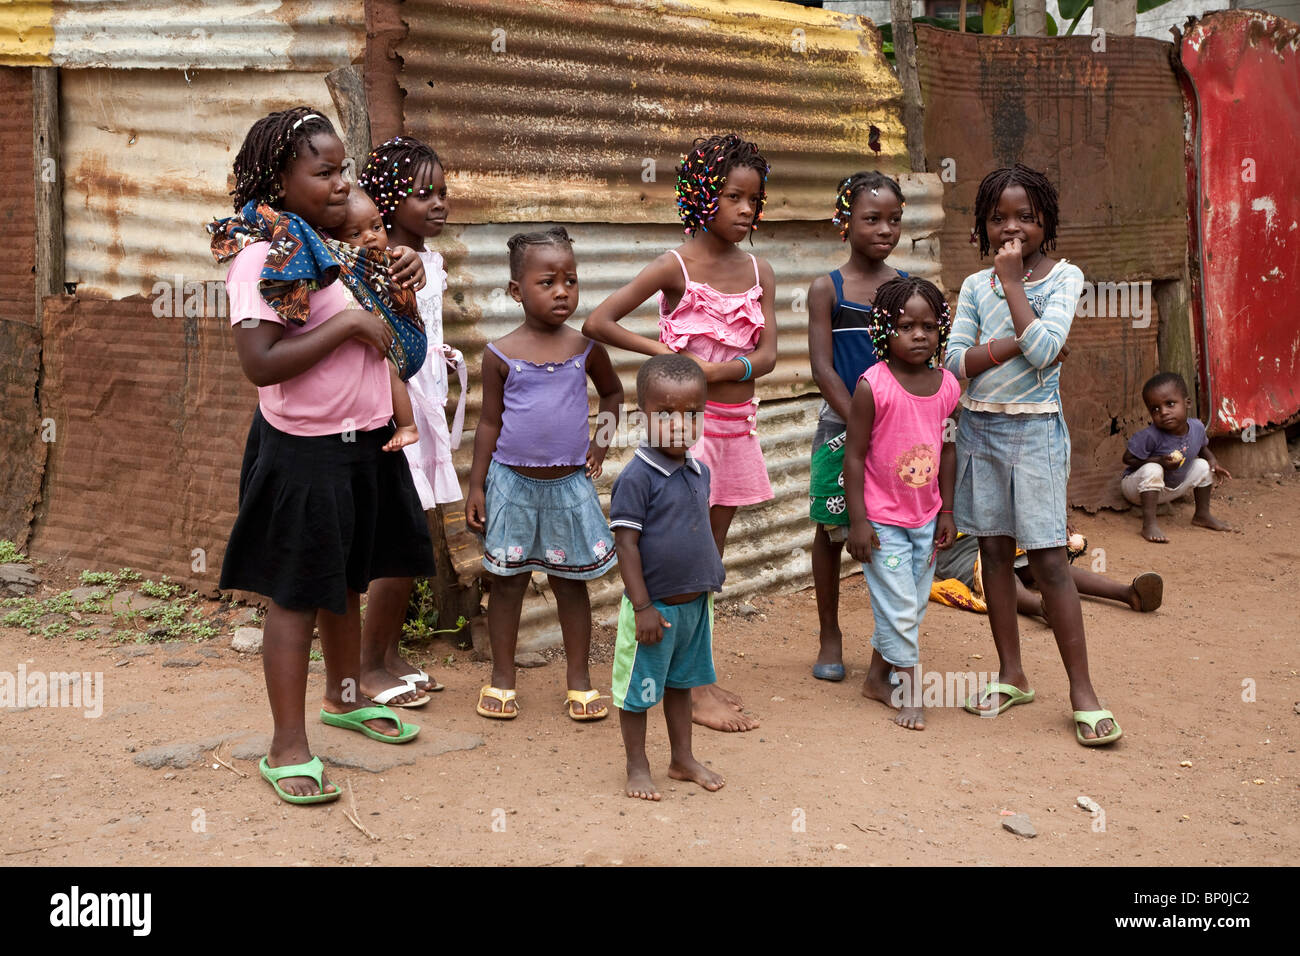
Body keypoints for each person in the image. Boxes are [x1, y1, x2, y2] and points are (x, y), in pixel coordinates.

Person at [208, 107, 435, 804]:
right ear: (280, 179)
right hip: (304, 451)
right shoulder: (263, 257)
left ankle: (343, 698)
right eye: (325, 172)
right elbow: (261, 363)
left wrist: (401, 283)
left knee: (347, 580)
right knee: (297, 594)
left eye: (346, 170)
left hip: (365, 438)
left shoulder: (335, 248)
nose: (343, 184)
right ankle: (287, 747)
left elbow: (396, 340)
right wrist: (351, 327)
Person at [584, 133, 776, 733]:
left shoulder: (759, 270)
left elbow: (767, 355)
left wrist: (725, 369)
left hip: (734, 429)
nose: (746, 209)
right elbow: (598, 321)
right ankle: (664, 672)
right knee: (669, 552)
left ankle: (695, 675)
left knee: (706, 559)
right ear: (701, 195)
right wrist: (666, 352)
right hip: (682, 436)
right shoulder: (675, 266)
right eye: (733, 196)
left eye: (754, 199)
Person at [945, 163, 1120, 746]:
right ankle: (1012, 675)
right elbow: (953, 365)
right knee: (993, 553)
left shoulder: (1065, 277)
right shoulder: (974, 287)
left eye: (1025, 216)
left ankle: (1083, 694)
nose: (1011, 228)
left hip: (1037, 433)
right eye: (998, 218)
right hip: (979, 431)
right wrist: (1008, 344)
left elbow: (1046, 353)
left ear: (1047, 221)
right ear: (982, 224)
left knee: (1048, 562)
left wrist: (1015, 287)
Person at [464, 227, 623, 721]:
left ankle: (579, 680)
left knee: (570, 583)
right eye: (547, 282)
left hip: (569, 487)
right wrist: (476, 485)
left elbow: (614, 396)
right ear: (516, 291)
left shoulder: (586, 347)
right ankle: (502, 678)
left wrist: (600, 443)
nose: (562, 292)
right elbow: (489, 422)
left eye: (570, 281)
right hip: (511, 485)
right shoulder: (499, 353)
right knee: (507, 582)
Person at [355, 136, 469, 707]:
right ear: (387, 200)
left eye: (443, 192)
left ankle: (389, 653)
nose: (438, 204)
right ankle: (366, 665)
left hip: (426, 407)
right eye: (423, 194)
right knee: (398, 540)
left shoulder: (429, 261)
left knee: (415, 536)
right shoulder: (379, 261)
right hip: (399, 415)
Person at [843, 277, 959, 731]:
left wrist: (947, 510)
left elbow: (948, 448)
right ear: (882, 330)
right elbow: (853, 456)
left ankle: (876, 677)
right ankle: (910, 692)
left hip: (926, 516)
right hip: (882, 518)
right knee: (899, 606)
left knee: (908, 604)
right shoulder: (873, 386)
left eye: (928, 326)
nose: (918, 335)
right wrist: (857, 520)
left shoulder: (948, 385)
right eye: (905, 325)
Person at [610, 354, 727, 799]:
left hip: (695, 608)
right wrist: (641, 607)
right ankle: (637, 765)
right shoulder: (637, 478)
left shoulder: (700, 471)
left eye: (692, 414)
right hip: (654, 611)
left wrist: (710, 574)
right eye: (666, 414)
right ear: (643, 416)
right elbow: (626, 545)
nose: (680, 424)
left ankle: (682, 758)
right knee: (638, 693)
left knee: (682, 685)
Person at [807, 171, 908, 682]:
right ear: (844, 222)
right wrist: (860, 422)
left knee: (890, 530)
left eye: (894, 219)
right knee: (831, 530)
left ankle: (887, 643)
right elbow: (823, 368)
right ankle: (830, 633)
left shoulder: (904, 289)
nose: (884, 229)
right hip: (841, 424)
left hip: (899, 430)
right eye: (872, 219)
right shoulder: (828, 288)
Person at [331, 189, 420, 455]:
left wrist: (408, 255)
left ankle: (408, 426)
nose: (370, 237)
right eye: (355, 234)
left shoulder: (393, 258)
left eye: (376, 227)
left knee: (388, 372)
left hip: (402, 344)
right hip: (384, 348)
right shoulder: (345, 264)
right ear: (337, 242)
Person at [931, 531, 1165, 617]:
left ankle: (1129, 594)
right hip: (951, 545)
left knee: (1036, 566)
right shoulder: (936, 455)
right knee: (996, 572)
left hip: (990, 531)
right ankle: (1041, 609)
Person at [1121, 371, 1232, 543]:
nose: (1163, 412)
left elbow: (1202, 447)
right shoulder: (1150, 435)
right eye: (1155, 409)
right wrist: (1158, 460)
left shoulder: (1197, 427)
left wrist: (1213, 462)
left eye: (1170, 404)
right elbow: (1127, 459)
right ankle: (1149, 524)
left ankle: (1202, 515)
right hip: (1135, 490)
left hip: (1167, 490)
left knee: (1203, 465)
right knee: (1153, 468)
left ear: (1187, 403)